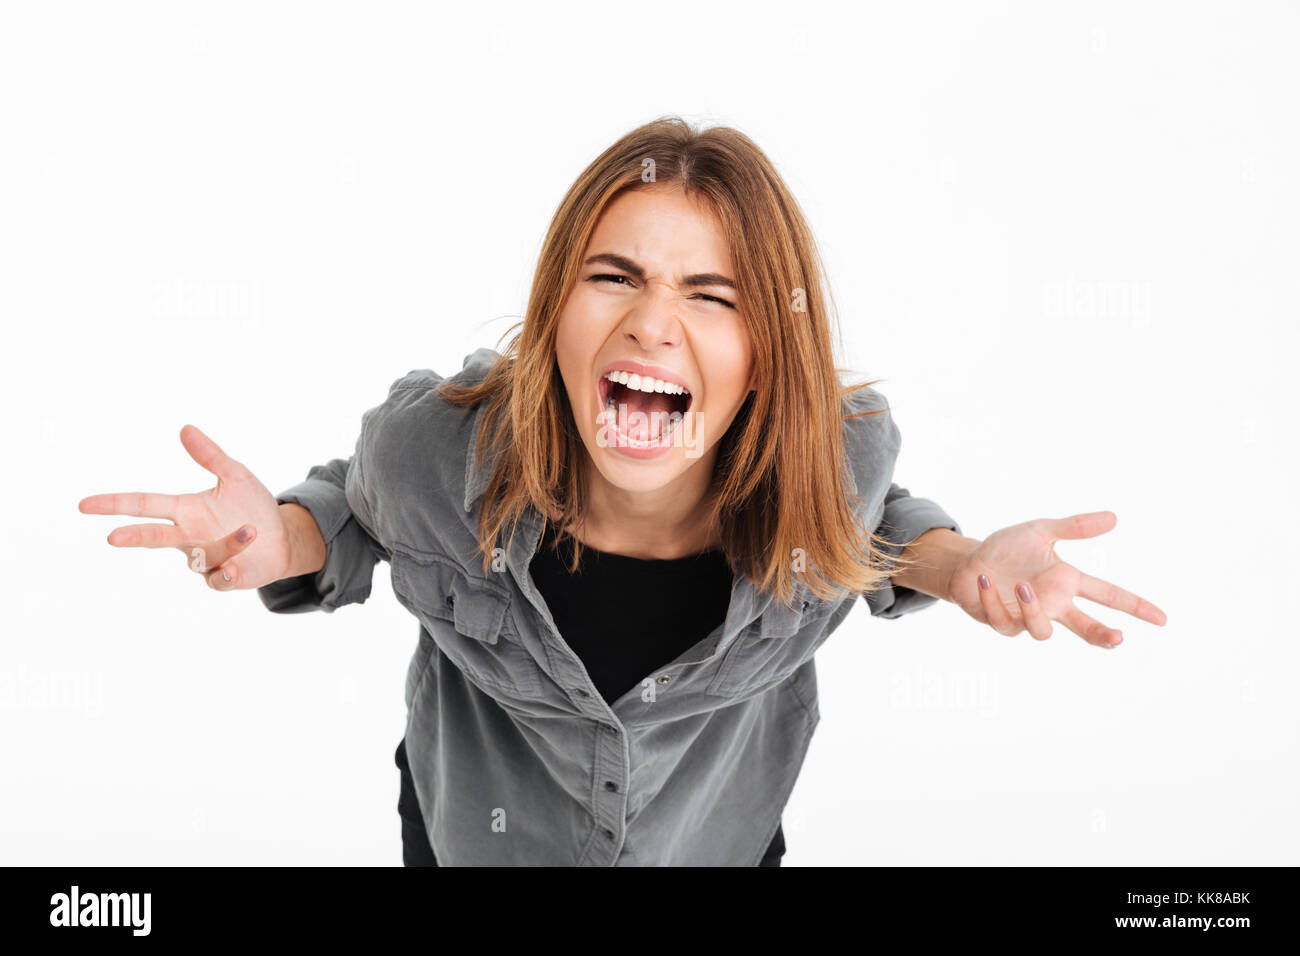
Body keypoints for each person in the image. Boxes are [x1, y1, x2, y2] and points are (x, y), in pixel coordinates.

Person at [79, 116, 1167, 866]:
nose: (654, 322)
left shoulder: (830, 461)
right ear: (557, 313)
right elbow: (359, 505)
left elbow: (863, 525)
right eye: (615, 277)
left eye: (711, 294)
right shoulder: (439, 454)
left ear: (766, 357)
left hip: (715, 840)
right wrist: (277, 535)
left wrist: (958, 564)